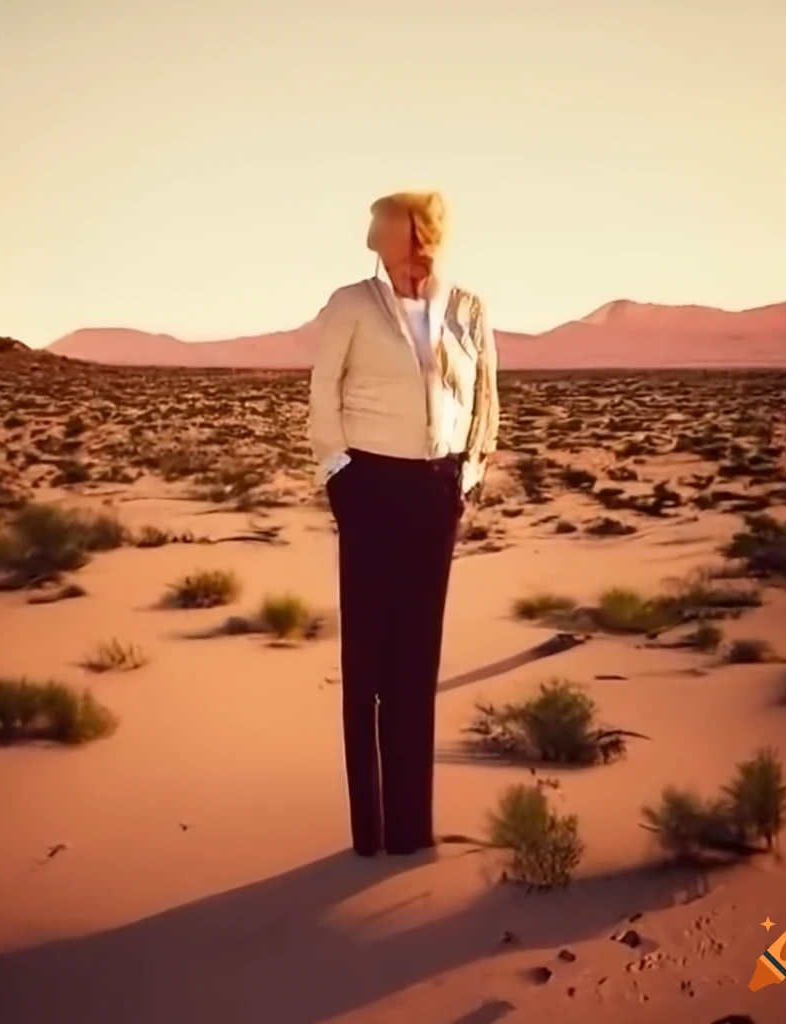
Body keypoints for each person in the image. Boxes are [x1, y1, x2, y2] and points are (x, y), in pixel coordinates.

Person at [309, 190, 500, 857]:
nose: (369, 230)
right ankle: (371, 833)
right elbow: (323, 393)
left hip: (435, 489)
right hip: (369, 483)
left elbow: (486, 400)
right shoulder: (351, 304)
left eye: (380, 220)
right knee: (368, 660)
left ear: (415, 230)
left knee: (418, 661)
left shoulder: (468, 309)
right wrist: (339, 475)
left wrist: (467, 474)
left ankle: (411, 829)